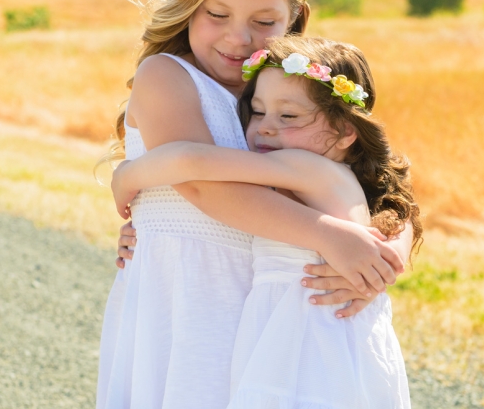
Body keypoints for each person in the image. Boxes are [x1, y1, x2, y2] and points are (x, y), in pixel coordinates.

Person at [97, 0, 410, 409]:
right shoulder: (167, 76)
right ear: (187, 4)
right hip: (190, 299)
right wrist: (326, 234)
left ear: (294, 21)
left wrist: (378, 261)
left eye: (264, 22)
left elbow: (376, 183)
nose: (238, 38)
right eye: (216, 15)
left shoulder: (290, 96)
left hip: (273, 307)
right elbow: (201, 186)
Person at [111, 37, 422, 408]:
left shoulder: (307, 168)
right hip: (332, 338)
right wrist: (154, 220)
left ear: (345, 132)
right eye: (256, 112)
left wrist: (127, 176)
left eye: (288, 116)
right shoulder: (333, 176)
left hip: (308, 341)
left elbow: (192, 161)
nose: (266, 128)